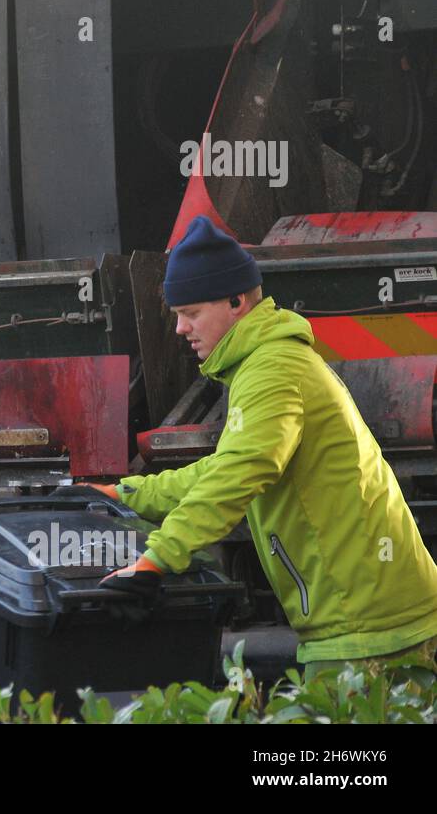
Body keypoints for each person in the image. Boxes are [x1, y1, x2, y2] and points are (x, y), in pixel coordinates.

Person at [80, 214, 437, 677]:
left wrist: (158, 558)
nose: (179, 329)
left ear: (236, 301)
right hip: (368, 617)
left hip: (367, 627)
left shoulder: (272, 370)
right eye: (177, 315)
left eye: (191, 313)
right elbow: (222, 468)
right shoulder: (264, 363)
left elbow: (242, 472)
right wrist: (127, 495)